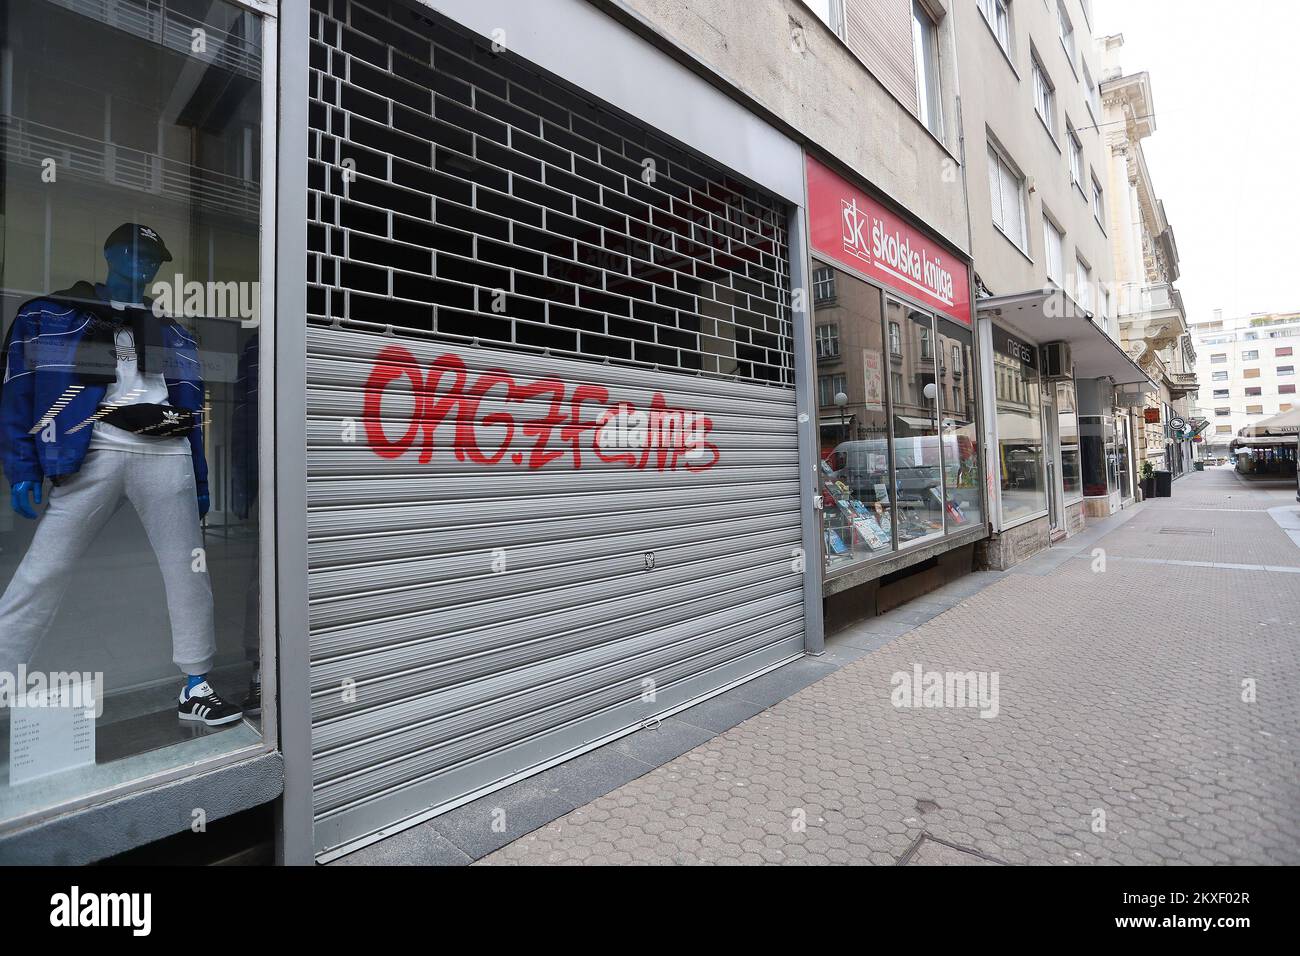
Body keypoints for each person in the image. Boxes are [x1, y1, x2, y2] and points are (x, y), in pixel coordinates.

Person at [0, 223, 241, 727]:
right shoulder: (53, 312)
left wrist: (200, 481)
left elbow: (191, 410)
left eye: (153, 257)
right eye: (132, 250)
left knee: (188, 571)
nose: (143, 262)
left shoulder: (172, 329)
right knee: (44, 567)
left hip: (165, 449)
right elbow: (18, 392)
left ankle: (196, 682)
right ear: (108, 253)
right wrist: (21, 468)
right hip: (93, 448)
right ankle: (4, 674)